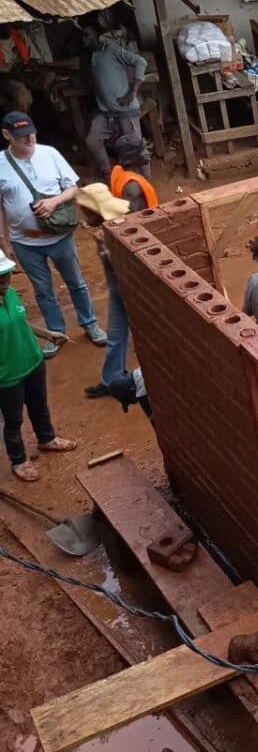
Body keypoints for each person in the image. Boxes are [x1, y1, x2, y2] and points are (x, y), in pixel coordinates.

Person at [0, 114, 104, 356]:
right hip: (24, 241)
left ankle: (90, 323)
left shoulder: (50, 154)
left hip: (60, 238)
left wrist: (54, 202)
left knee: (76, 283)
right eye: (21, 135)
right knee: (43, 290)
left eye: (31, 132)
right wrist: (5, 242)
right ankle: (55, 333)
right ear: (7, 135)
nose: (29, 137)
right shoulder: (1, 164)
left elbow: (72, 188)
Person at [0, 251, 77, 481]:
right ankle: (19, 460)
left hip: (33, 362)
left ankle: (47, 438)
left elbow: (21, 322)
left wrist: (48, 334)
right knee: (13, 421)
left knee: (39, 406)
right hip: (7, 376)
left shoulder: (11, 293)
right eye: (0, 279)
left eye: (6, 276)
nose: (5, 282)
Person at [77, 181, 140, 401]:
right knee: (115, 335)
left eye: (86, 210)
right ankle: (111, 381)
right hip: (117, 290)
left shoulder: (120, 228)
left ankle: (141, 383)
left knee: (144, 337)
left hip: (133, 290)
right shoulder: (103, 230)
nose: (83, 215)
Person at [85, 22, 146, 179]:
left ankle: (145, 179)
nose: (83, 39)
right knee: (93, 140)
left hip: (125, 109)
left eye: (87, 35)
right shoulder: (92, 56)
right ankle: (108, 174)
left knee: (135, 144)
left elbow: (140, 62)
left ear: (96, 36)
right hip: (105, 112)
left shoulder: (111, 50)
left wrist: (133, 91)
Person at [109, 133, 158, 212]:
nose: (148, 152)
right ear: (132, 157)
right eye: (143, 150)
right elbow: (133, 219)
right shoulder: (132, 187)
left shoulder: (127, 174)